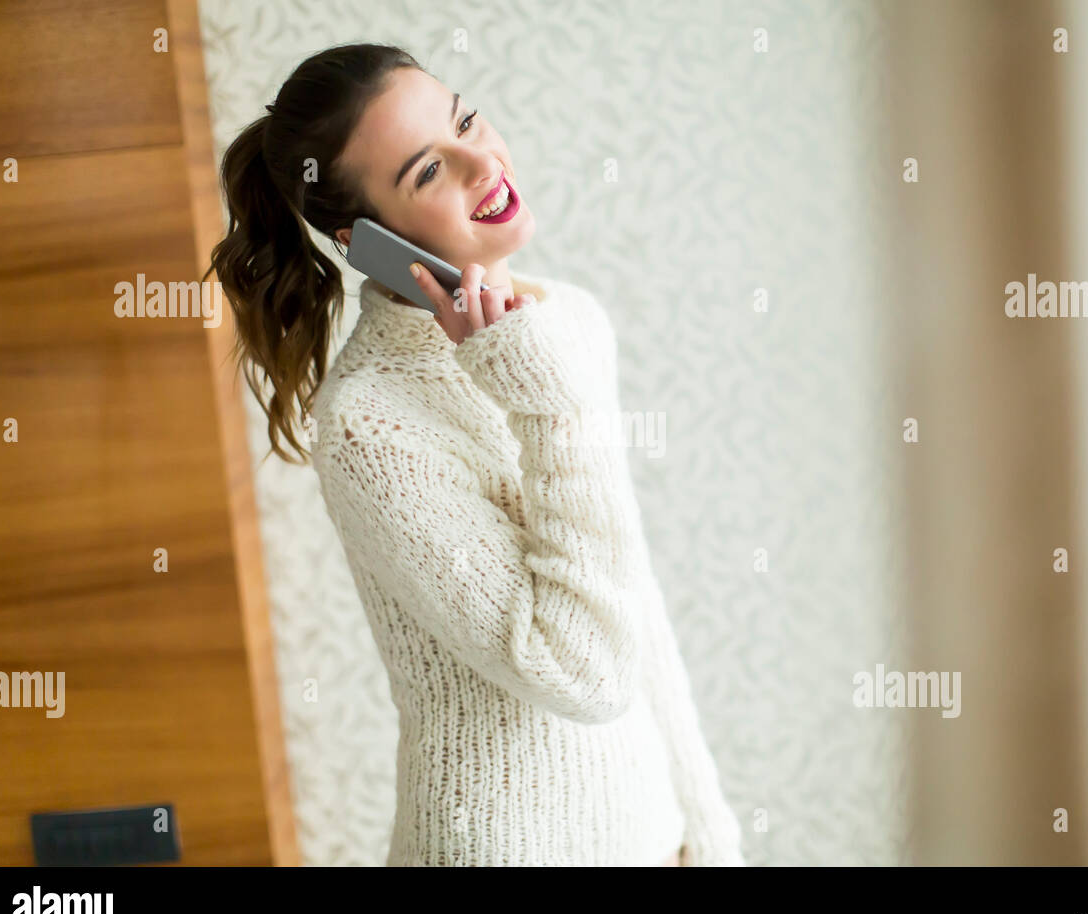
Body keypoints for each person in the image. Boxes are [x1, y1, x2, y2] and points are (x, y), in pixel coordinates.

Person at [208, 42, 744, 866]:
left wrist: (706, 836)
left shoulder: (564, 321)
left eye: (465, 119)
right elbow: (583, 673)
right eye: (428, 172)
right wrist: (546, 401)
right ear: (365, 242)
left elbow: (628, 605)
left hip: (647, 839)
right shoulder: (367, 423)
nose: (482, 161)